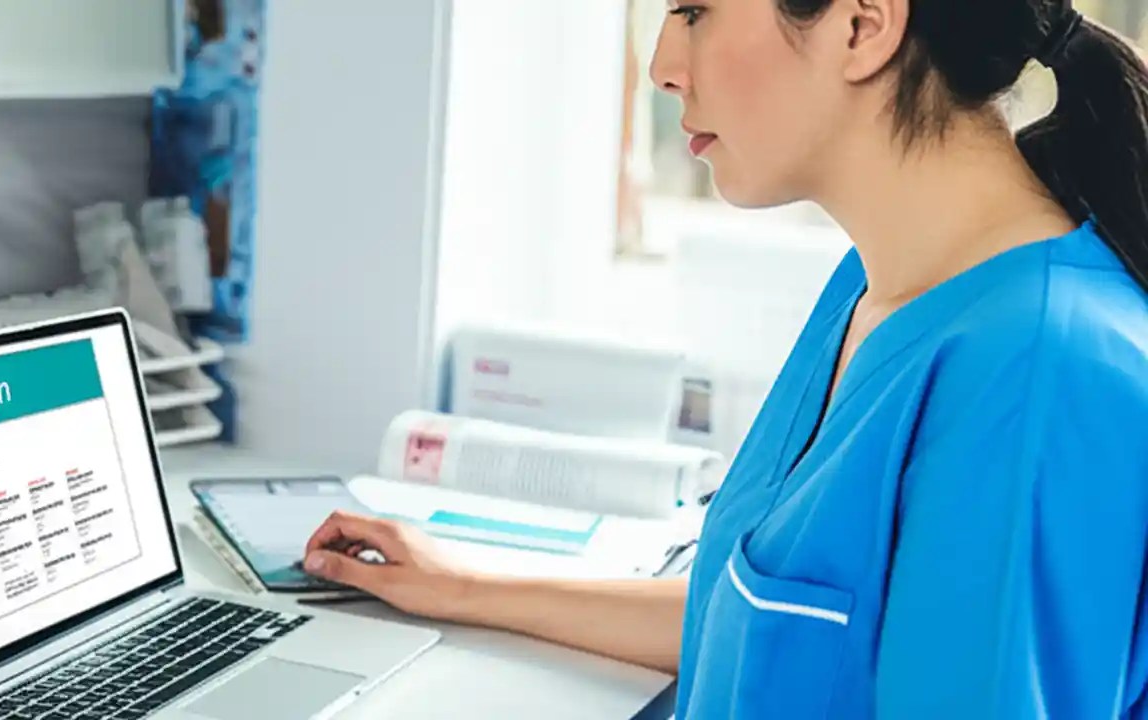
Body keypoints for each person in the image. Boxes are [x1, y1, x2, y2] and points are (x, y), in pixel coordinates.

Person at [304, 1, 1148, 716]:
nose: (663, 66)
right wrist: (465, 587)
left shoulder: (1040, 374)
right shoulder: (880, 283)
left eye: (696, 10)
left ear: (862, 24)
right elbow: (774, 621)